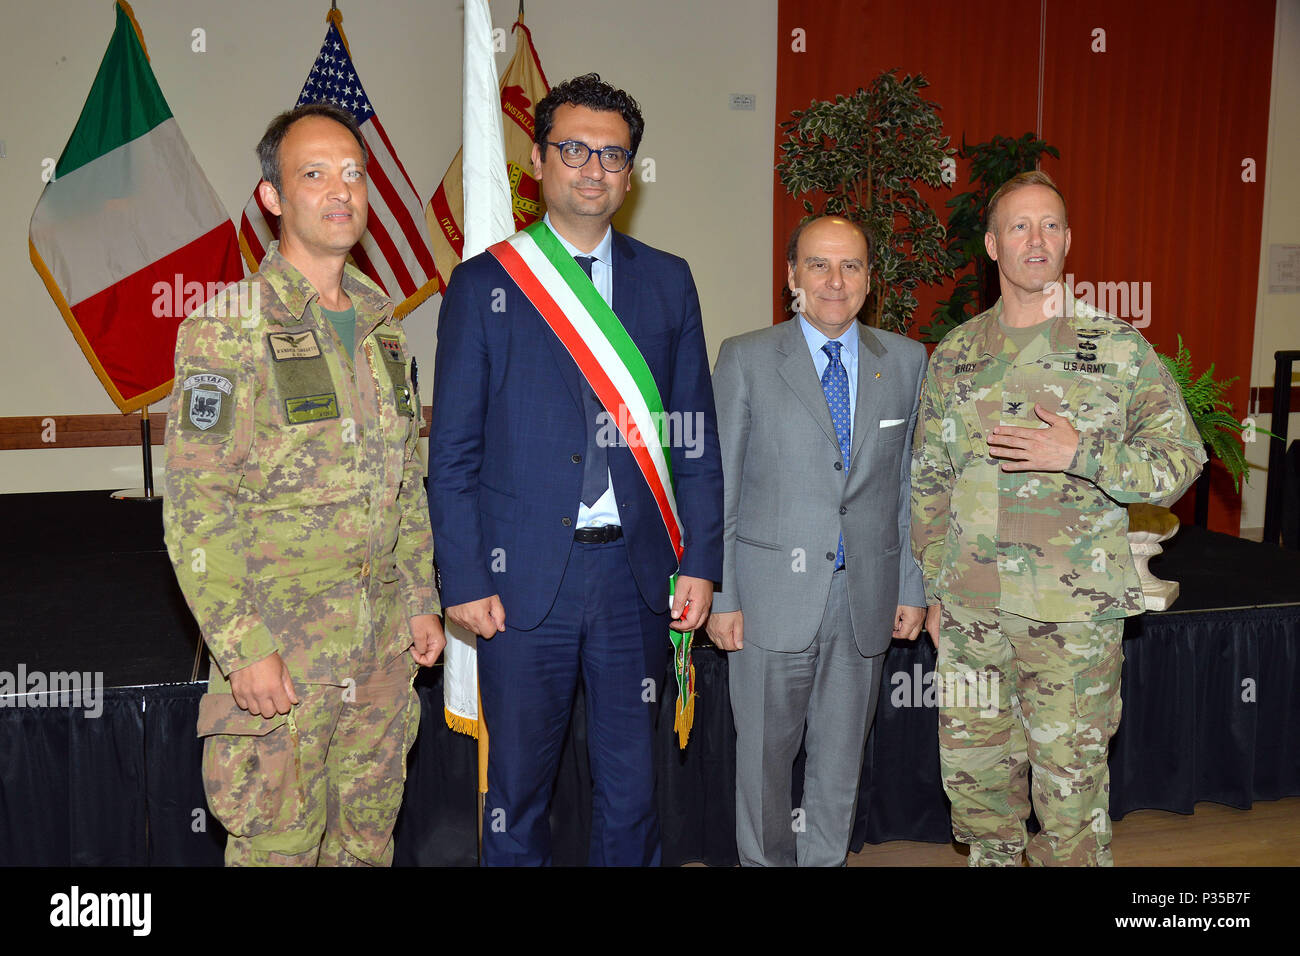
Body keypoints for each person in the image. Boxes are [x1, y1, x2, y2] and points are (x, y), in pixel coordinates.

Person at [429, 73, 723, 867]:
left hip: (637, 576)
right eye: (575, 150)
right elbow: (452, 449)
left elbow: (694, 435)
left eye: (614, 156)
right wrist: (461, 575)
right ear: (538, 159)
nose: (594, 169)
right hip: (519, 579)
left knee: (633, 792)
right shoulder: (486, 283)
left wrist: (701, 561)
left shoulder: (668, 280)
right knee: (517, 793)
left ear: (630, 174)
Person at [163, 103, 444, 867]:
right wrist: (243, 646)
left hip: (381, 657)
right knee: (278, 852)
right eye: (314, 174)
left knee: (365, 848)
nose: (340, 190)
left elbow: (404, 485)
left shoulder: (385, 329)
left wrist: (421, 595)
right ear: (273, 198)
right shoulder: (229, 327)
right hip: (281, 663)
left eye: (353, 173)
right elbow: (195, 507)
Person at [911, 170, 1206, 866]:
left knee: (1071, 804)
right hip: (971, 615)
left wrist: (1084, 452)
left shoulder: (1116, 347)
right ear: (992, 245)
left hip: (1072, 621)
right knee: (979, 793)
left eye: (1049, 225)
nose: (1035, 239)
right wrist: (931, 587)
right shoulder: (955, 354)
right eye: (1018, 226)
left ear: (1068, 241)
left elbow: (1181, 459)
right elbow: (927, 481)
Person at [707, 216, 927, 866]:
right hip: (769, 605)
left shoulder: (907, 360)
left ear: (869, 279)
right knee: (765, 771)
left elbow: (908, 484)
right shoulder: (746, 357)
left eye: (852, 265)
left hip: (864, 600)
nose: (836, 280)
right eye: (820, 265)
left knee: (839, 767)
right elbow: (719, 487)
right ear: (792, 276)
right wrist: (723, 596)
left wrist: (911, 585)